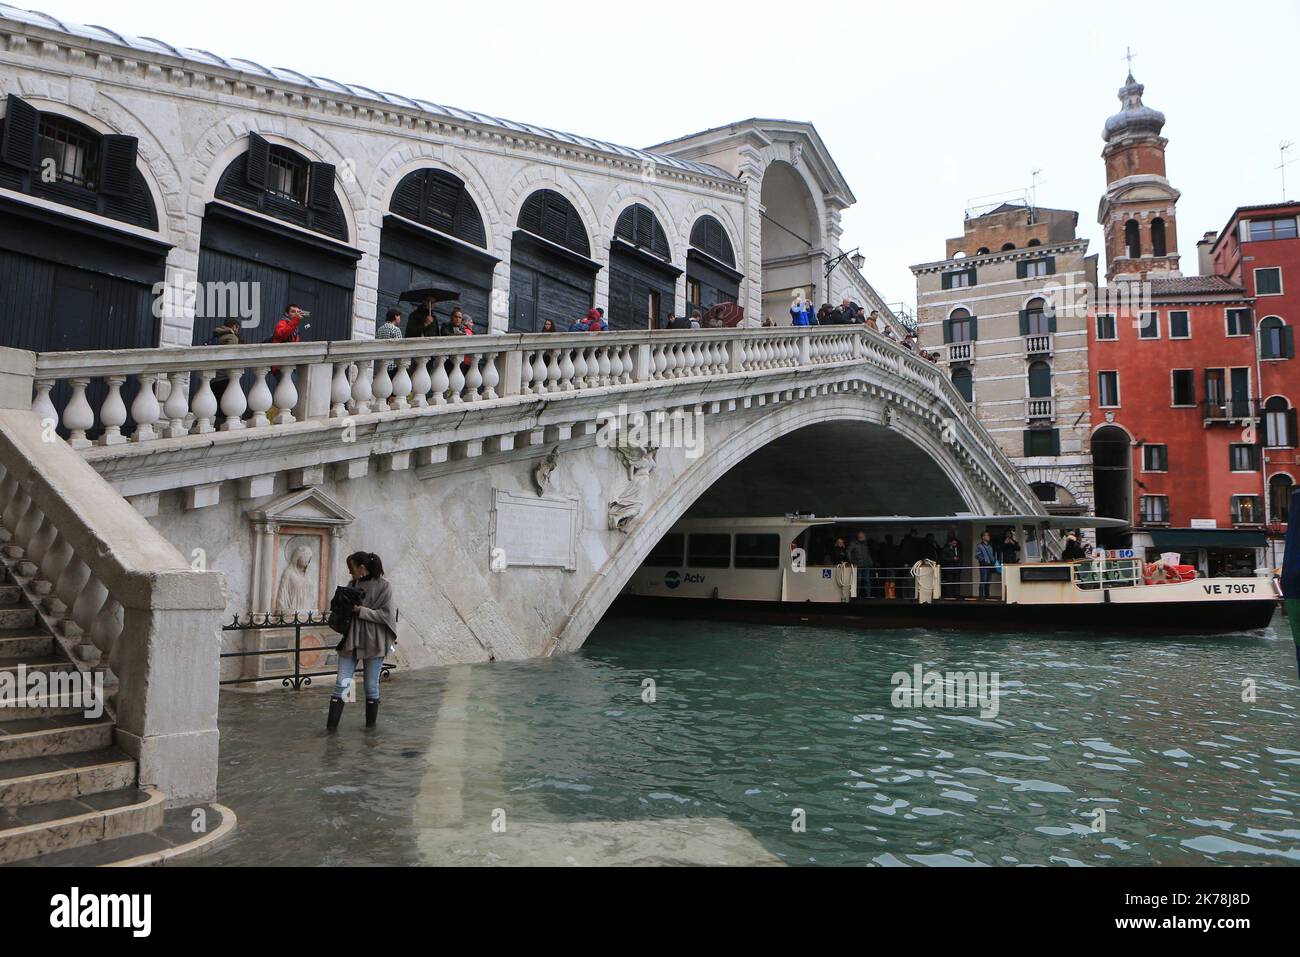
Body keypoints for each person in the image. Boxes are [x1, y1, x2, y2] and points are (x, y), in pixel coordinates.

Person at [326, 551, 397, 732]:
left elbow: (387, 615)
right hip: (351, 639)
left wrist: (361, 611)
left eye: (351, 568)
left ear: (362, 568)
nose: (350, 572)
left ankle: (370, 730)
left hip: (374, 641)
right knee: (343, 683)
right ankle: (331, 731)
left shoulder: (384, 587)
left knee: (370, 686)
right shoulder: (353, 584)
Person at [846, 530, 873, 600]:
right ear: (859, 536)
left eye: (863, 535)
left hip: (866, 565)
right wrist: (851, 561)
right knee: (858, 581)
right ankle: (856, 596)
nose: (864, 536)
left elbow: (868, 554)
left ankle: (868, 596)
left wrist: (871, 563)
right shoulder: (854, 543)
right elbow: (848, 551)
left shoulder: (866, 544)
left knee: (867, 580)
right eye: (862, 535)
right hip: (858, 565)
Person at [939, 532, 962, 598]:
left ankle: (956, 594)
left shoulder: (957, 549)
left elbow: (959, 557)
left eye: (956, 543)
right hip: (949, 568)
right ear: (950, 543)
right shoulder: (945, 549)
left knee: (957, 582)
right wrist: (952, 559)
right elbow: (943, 558)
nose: (955, 544)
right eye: (954, 543)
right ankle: (949, 595)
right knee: (950, 582)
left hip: (956, 568)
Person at [975, 531, 997, 600]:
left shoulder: (990, 546)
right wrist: (983, 561)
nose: (988, 537)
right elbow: (977, 555)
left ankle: (987, 595)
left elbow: (992, 555)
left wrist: (993, 562)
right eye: (987, 535)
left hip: (990, 565)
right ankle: (981, 596)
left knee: (988, 580)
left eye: (988, 535)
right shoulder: (979, 546)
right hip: (984, 565)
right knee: (983, 580)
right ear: (983, 537)